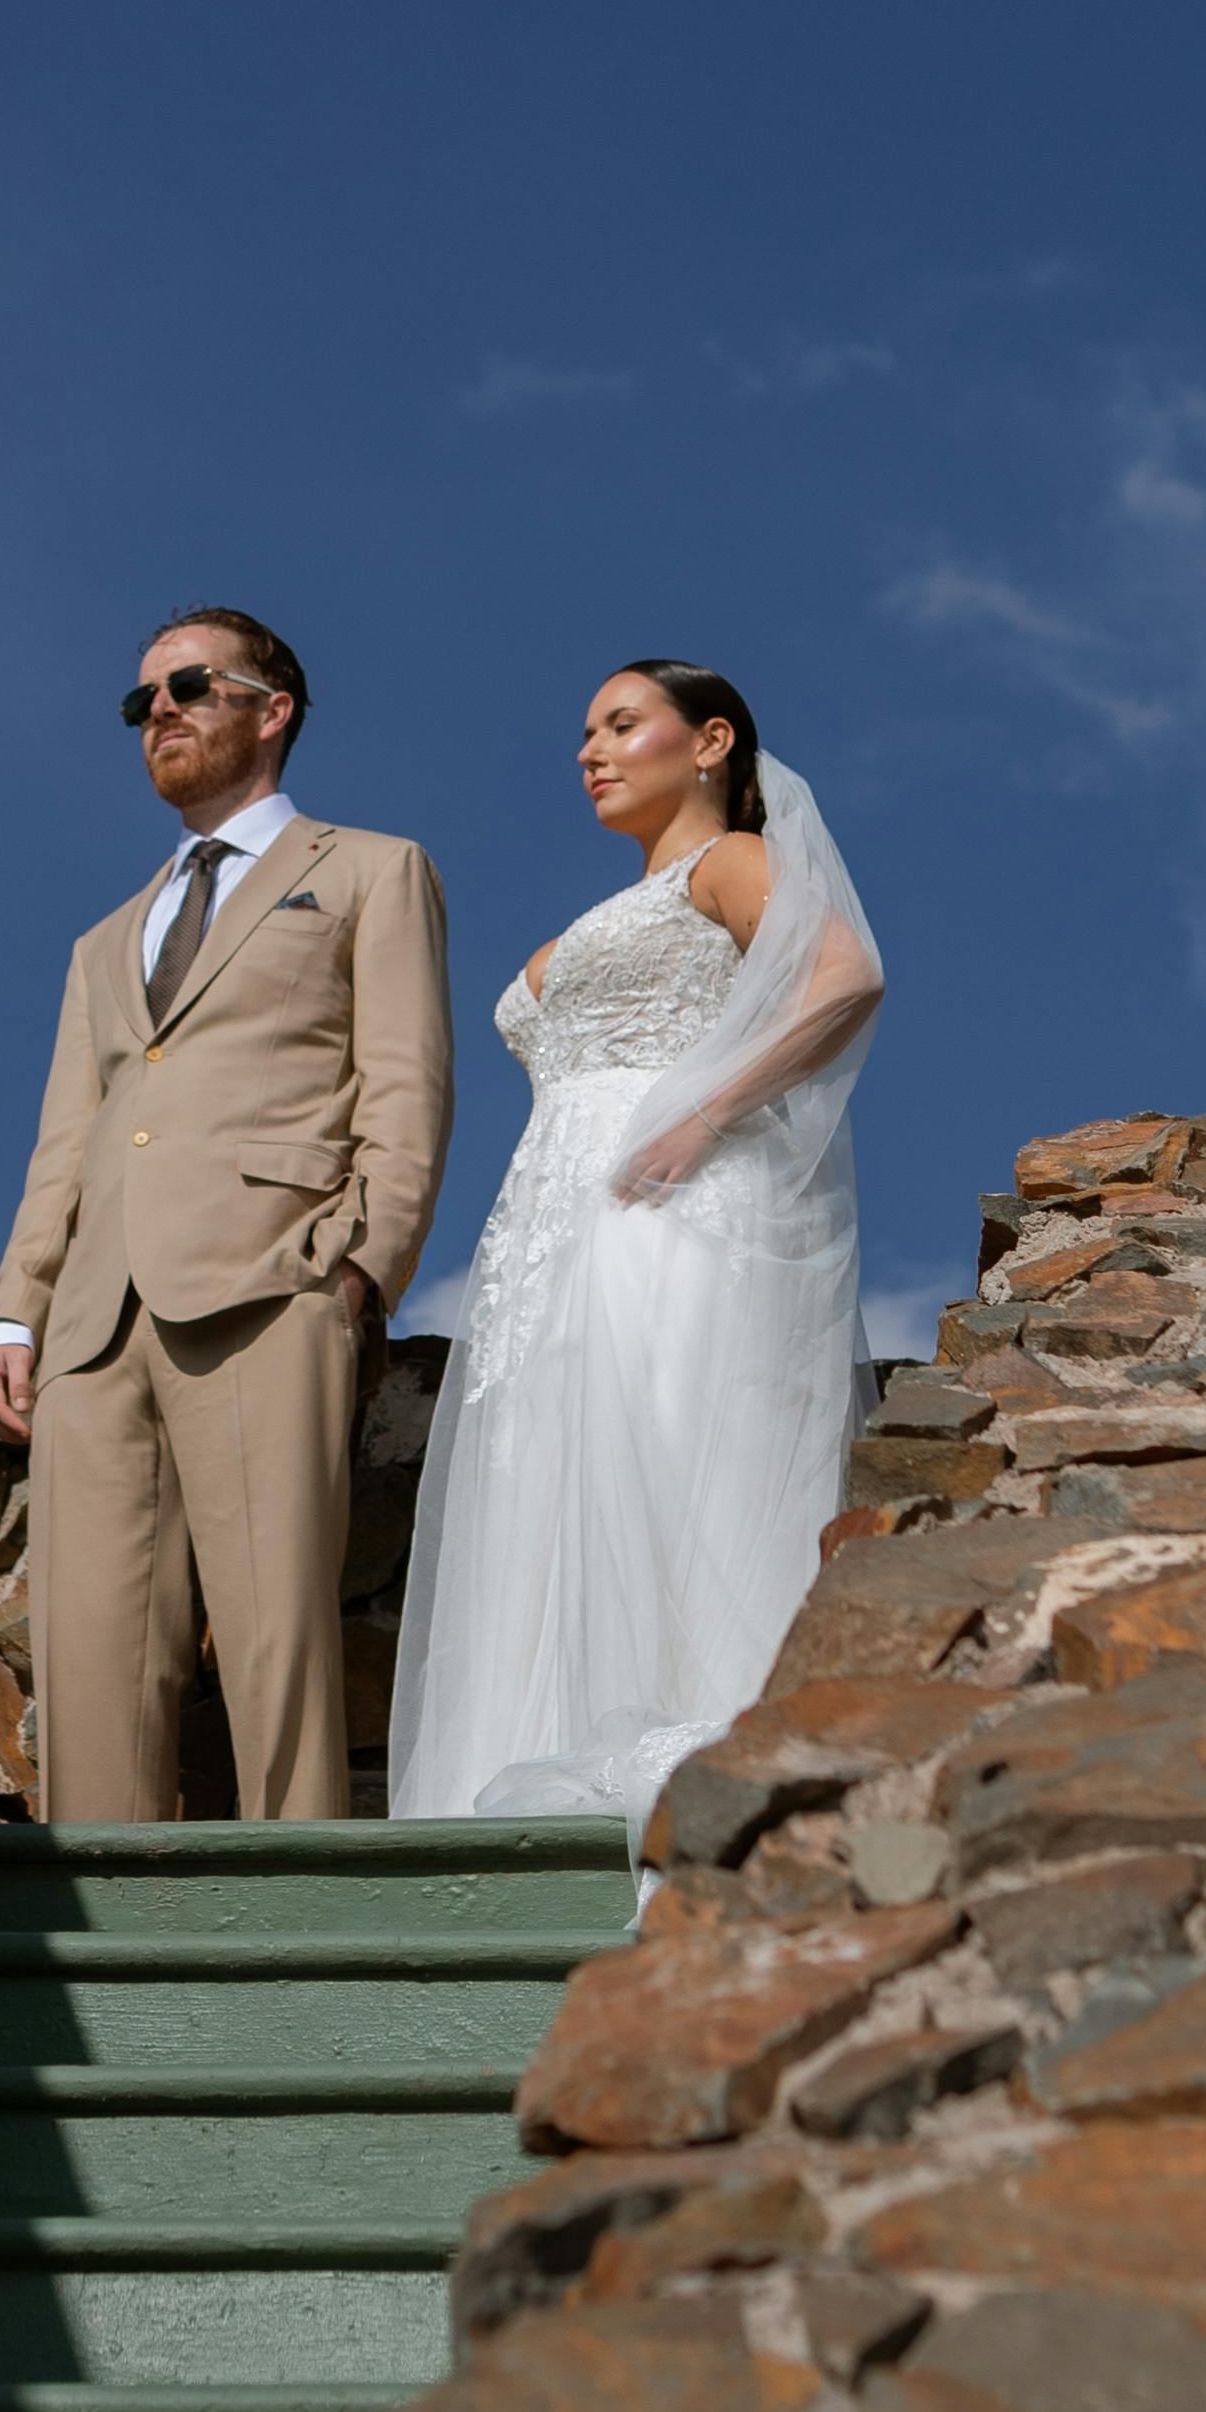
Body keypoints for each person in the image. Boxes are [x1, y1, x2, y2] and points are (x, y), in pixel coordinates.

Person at [387, 657, 882, 1840]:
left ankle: (703, 1781)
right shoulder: (621, 903)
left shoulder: (729, 863)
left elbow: (844, 976)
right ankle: (512, 1787)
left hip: (672, 1207)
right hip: (551, 1232)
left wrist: (706, 1110)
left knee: (663, 1450)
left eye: (622, 723)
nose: (589, 749)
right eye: (585, 732)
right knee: (547, 1478)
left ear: (710, 742)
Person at [0, 606, 452, 1822]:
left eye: (188, 686)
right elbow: (65, 1141)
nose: (160, 714)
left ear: (271, 706)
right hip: (91, 1323)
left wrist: (361, 1269)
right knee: (89, 1661)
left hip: (269, 1288)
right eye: (142, 702)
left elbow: (406, 1084)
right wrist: (9, 1313)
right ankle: (101, 1971)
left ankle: (306, 1936)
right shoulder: (101, 942)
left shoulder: (367, 869)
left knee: (275, 1638)